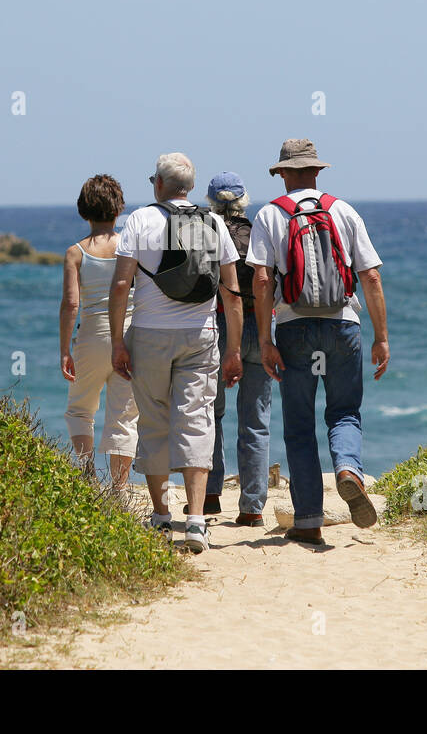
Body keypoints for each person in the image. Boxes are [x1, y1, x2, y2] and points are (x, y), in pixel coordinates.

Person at [247, 139, 390, 546]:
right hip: (342, 325)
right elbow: (372, 277)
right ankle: (347, 470)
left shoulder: (270, 214)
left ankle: (308, 520)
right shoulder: (343, 211)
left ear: (282, 174)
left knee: (298, 425)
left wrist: (266, 339)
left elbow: (261, 280)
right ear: (317, 171)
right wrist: (381, 337)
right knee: (344, 412)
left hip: (294, 329)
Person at [109, 152, 244, 554]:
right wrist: (233, 349)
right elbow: (232, 295)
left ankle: (161, 515)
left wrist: (117, 341)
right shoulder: (214, 221)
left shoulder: (139, 220)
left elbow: (120, 286)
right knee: (197, 421)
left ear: (158, 184)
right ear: (188, 186)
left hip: (149, 333)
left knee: (153, 421)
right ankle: (198, 521)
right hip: (201, 335)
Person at [60, 174, 138, 493]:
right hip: (129, 336)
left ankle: (88, 477)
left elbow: (71, 304)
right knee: (123, 416)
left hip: (91, 335)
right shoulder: (130, 246)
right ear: (118, 209)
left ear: (84, 211)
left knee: (80, 408)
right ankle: (118, 490)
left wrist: (65, 349)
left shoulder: (75, 252)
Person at [202, 172, 272, 526]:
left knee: (211, 415)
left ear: (211, 203)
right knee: (255, 422)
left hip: (219, 328)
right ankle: (252, 507)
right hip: (259, 326)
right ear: (244, 201)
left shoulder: (204, 232)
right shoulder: (260, 229)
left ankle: (210, 494)